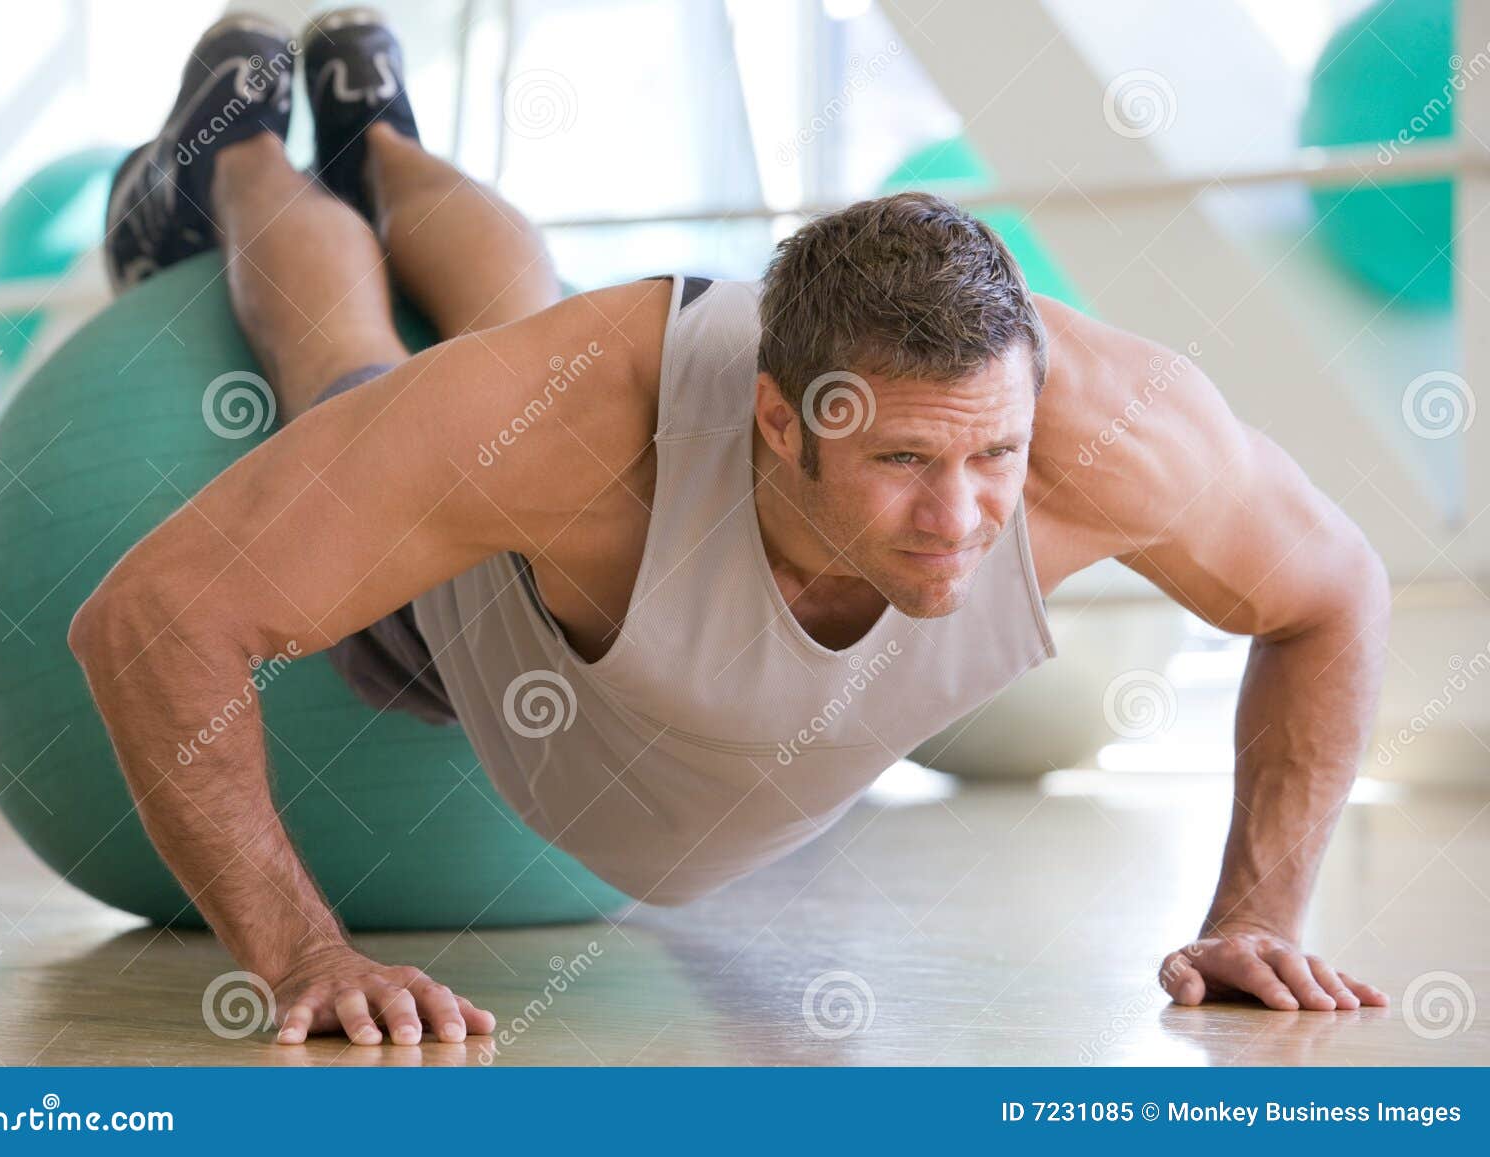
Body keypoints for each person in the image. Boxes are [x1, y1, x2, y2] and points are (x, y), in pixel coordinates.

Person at [73, 10, 1392, 1047]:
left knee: (513, 308)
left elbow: (1332, 593)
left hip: (579, 427)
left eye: (997, 452)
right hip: (481, 619)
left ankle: (374, 136)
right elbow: (151, 616)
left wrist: (1255, 918)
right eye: (900, 459)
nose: (962, 515)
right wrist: (304, 955)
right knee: (355, 362)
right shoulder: (578, 420)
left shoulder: (1123, 430)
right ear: (778, 419)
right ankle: (233, 146)